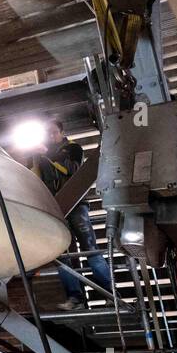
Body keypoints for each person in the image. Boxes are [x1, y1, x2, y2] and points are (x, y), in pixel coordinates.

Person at [27, 120, 114, 311]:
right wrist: (34, 158)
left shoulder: (73, 148)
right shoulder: (42, 154)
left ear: (61, 132)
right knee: (63, 256)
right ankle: (75, 298)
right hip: (55, 208)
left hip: (76, 206)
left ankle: (110, 294)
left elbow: (70, 170)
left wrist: (45, 153)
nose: (50, 136)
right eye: (47, 133)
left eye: (53, 132)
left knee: (90, 249)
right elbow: (36, 179)